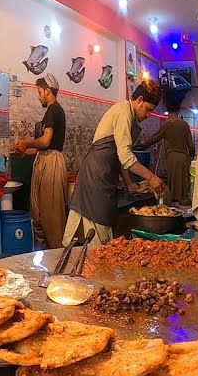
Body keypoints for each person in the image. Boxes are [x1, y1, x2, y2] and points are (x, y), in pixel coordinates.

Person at [65, 82, 166, 246]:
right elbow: (126, 156)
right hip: (96, 176)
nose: (148, 115)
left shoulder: (128, 115)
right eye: (148, 109)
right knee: (97, 233)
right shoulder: (123, 112)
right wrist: (152, 178)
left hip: (102, 174)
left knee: (97, 229)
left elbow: (120, 155)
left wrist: (129, 183)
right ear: (140, 100)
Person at [15, 74, 70, 248]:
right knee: (38, 214)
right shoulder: (51, 112)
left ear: (47, 91)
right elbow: (45, 146)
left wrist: (26, 143)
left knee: (51, 217)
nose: (38, 97)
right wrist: (26, 151)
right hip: (45, 160)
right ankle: (45, 257)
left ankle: (58, 256)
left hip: (52, 164)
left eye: (39, 92)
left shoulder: (54, 110)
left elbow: (45, 142)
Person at [139, 109, 195, 205]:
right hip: (184, 157)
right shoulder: (185, 124)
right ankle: (183, 202)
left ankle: (172, 204)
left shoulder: (168, 124)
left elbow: (155, 137)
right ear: (178, 112)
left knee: (173, 182)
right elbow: (191, 144)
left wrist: (143, 145)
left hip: (172, 156)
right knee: (183, 181)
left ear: (169, 113)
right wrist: (192, 155)